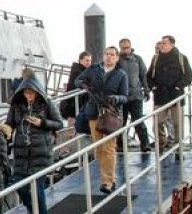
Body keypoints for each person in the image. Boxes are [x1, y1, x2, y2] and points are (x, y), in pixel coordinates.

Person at [6, 74, 64, 214]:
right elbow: (9, 124)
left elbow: (59, 123)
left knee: (37, 190)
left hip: (41, 153)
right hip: (21, 154)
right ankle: (32, 211)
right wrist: (7, 130)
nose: (29, 95)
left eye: (31, 92)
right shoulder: (16, 106)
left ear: (38, 91)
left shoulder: (47, 104)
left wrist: (42, 123)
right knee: (19, 186)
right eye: (26, 92)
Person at [76, 46, 129, 193]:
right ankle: (104, 178)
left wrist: (116, 98)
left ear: (117, 58)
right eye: (106, 54)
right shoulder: (93, 69)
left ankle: (108, 181)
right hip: (94, 113)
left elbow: (125, 96)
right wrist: (83, 84)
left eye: (112, 55)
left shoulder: (121, 74)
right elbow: (77, 80)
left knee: (109, 148)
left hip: (111, 114)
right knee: (99, 148)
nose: (109, 57)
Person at [146, 35, 192, 151]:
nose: (161, 45)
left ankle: (179, 148)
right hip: (160, 96)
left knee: (177, 124)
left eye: (164, 43)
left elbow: (189, 76)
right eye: (161, 43)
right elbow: (148, 76)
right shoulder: (156, 58)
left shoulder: (181, 58)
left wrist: (179, 86)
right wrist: (153, 87)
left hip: (176, 96)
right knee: (157, 123)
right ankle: (161, 144)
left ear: (172, 45)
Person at [117, 38, 152, 153]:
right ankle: (121, 145)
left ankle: (145, 144)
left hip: (136, 95)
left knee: (138, 120)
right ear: (120, 48)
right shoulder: (117, 60)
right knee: (121, 122)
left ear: (131, 47)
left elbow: (143, 75)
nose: (125, 50)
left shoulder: (137, 59)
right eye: (123, 48)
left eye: (127, 47)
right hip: (122, 96)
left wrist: (146, 90)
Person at [60, 52, 92, 122]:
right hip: (72, 103)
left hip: (75, 102)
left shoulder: (81, 69)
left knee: (74, 124)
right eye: (86, 60)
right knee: (73, 123)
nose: (89, 62)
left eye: (90, 60)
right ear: (80, 60)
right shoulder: (77, 71)